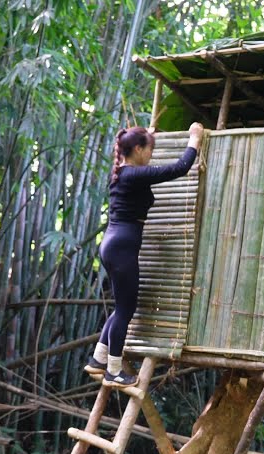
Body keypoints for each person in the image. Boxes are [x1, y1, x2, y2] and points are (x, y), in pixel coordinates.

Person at [86, 121, 203, 387]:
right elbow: (179, 168)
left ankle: (98, 359)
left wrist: (146, 133)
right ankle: (114, 371)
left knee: (121, 308)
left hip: (114, 245)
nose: (151, 154)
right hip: (122, 247)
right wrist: (194, 139)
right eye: (149, 149)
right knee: (126, 310)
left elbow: (142, 157)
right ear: (137, 149)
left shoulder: (122, 173)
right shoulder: (132, 175)